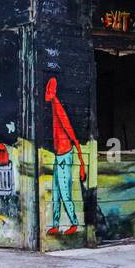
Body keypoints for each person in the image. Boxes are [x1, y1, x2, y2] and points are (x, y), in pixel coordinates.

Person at [44, 77, 86, 236]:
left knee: (64, 192)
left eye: (49, 90)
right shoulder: (54, 109)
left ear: (53, 92)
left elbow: (73, 137)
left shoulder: (59, 109)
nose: (46, 94)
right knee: (56, 192)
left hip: (64, 157)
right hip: (58, 157)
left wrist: (82, 164)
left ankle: (74, 222)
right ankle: (55, 224)